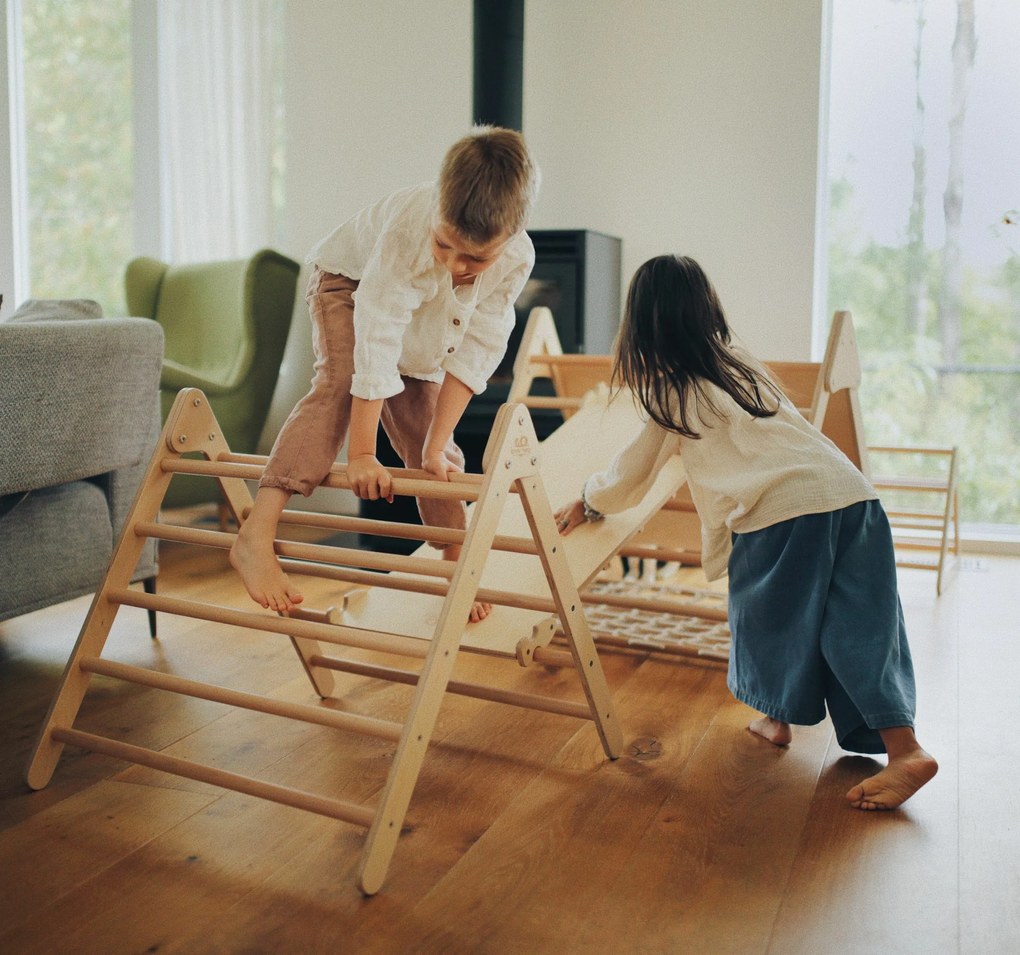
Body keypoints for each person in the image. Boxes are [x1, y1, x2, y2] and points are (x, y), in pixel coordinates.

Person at [554, 254, 937, 811]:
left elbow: (631, 474)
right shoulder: (741, 365)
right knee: (862, 625)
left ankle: (776, 720)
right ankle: (906, 750)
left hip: (781, 513)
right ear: (707, 309)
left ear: (640, 327)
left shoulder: (670, 392)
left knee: (767, 622)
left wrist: (590, 500)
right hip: (853, 495)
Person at [231, 126, 539, 622]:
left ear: (509, 238)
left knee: (432, 441)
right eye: (444, 244)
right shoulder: (407, 231)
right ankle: (256, 533)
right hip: (349, 283)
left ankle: (455, 556)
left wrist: (434, 447)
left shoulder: (517, 260)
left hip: (422, 313)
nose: (455, 265)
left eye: (476, 258)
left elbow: (476, 352)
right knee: (338, 383)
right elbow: (376, 338)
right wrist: (362, 454)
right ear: (438, 208)